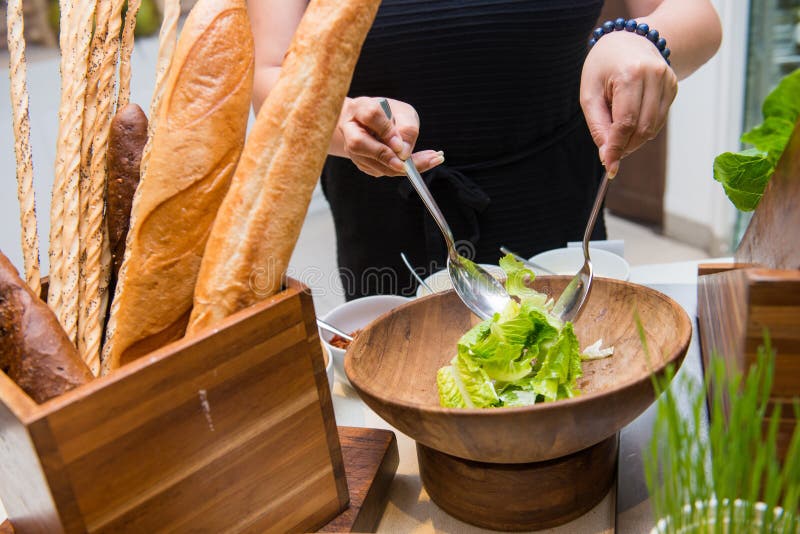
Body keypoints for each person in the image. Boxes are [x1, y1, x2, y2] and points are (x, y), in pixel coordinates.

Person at [249, 0, 722, 299]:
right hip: (388, 210)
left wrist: (638, 39)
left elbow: (697, 14)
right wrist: (341, 120)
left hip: (557, 201)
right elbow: (270, 72)